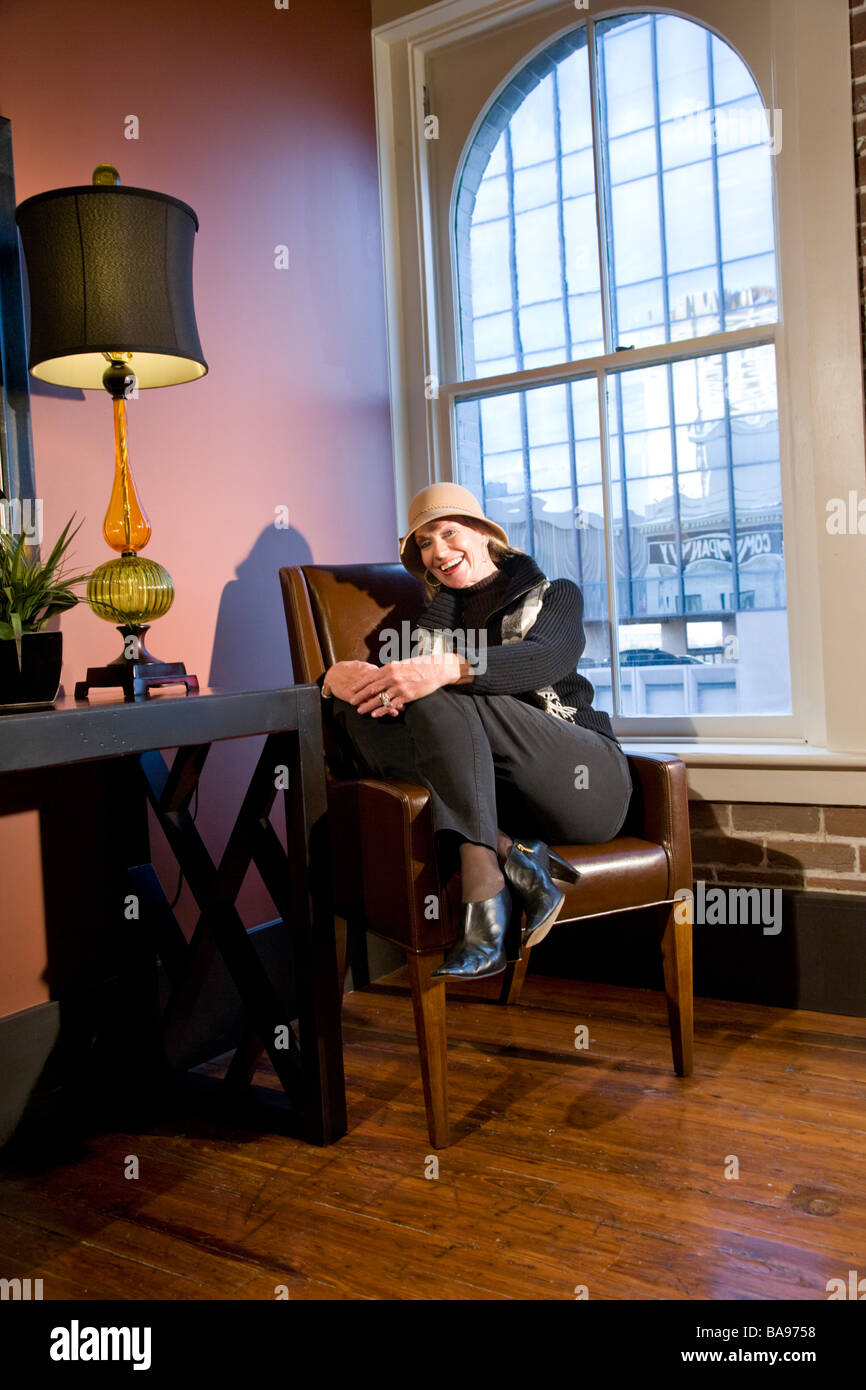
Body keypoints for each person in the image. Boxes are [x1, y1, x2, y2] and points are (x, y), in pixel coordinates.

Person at [320, 483, 633, 980]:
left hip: (585, 782)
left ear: (485, 533)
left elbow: (541, 659)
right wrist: (331, 679)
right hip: (504, 802)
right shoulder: (429, 629)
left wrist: (447, 669)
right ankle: (509, 855)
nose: (439, 552)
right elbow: (394, 706)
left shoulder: (555, 595)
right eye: (425, 543)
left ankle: (482, 889)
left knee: (428, 684)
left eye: (449, 532)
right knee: (360, 708)